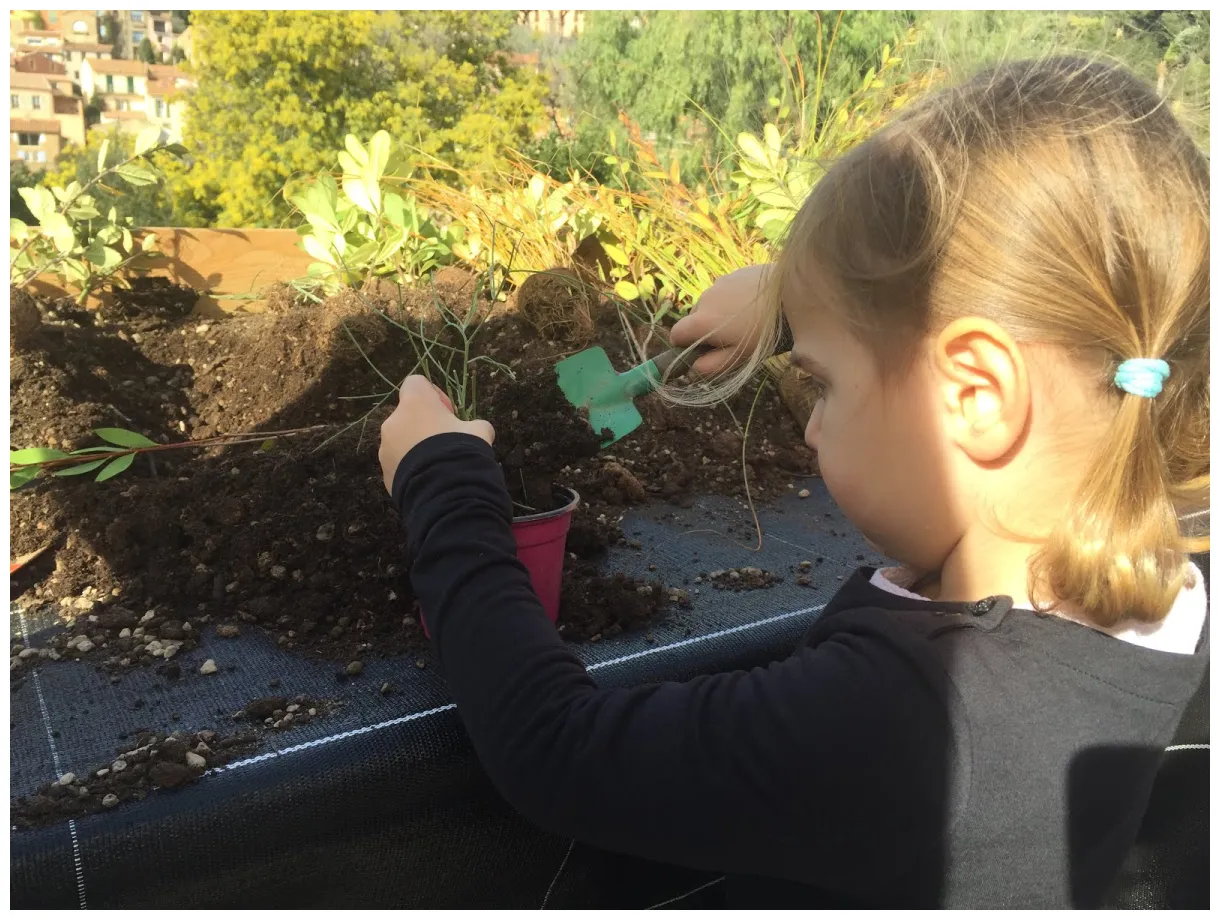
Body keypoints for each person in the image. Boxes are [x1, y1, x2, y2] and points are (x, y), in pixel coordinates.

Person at [377, 57, 1209, 908]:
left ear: (975, 394)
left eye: (823, 384)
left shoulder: (911, 727)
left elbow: (554, 748)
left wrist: (441, 483)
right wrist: (794, 309)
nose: (809, 422)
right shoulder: (1166, 569)